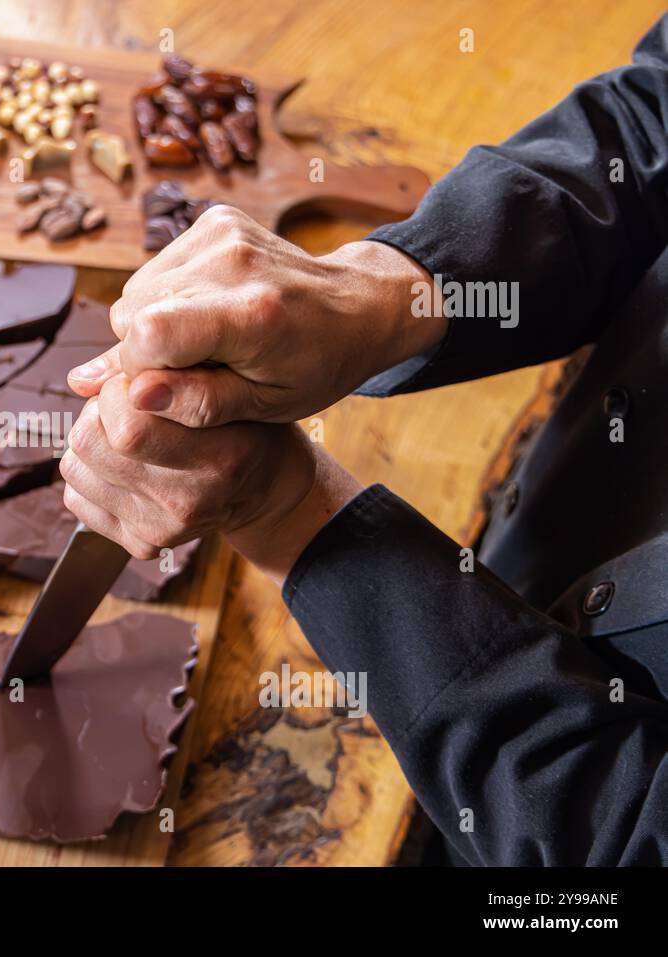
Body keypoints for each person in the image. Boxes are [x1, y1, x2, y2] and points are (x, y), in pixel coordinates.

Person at [60, 15, 668, 865]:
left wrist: (289, 513)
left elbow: (621, 841)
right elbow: (654, 118)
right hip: (566, 505)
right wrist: (385, 292)